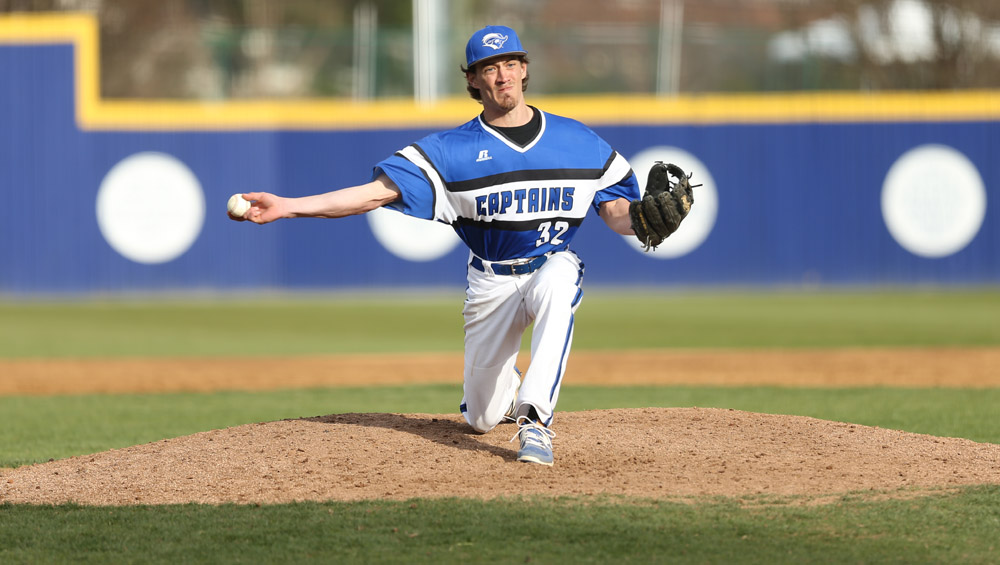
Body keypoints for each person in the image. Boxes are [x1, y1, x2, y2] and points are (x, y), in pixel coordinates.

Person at [231, 25, 642, 466]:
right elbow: (372, 195)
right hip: (490, 281)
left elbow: (618, 213)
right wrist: (289, 206)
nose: (502, 76)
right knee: (482, 417)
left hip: (549, 263)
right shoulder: (450, 151)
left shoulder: (577, 141)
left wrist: (647, 219)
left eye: (509, 64)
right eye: (489, 68)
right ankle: (502, 393)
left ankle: (535, 423)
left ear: (523, 70)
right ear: (472, 80)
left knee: (561, 280)